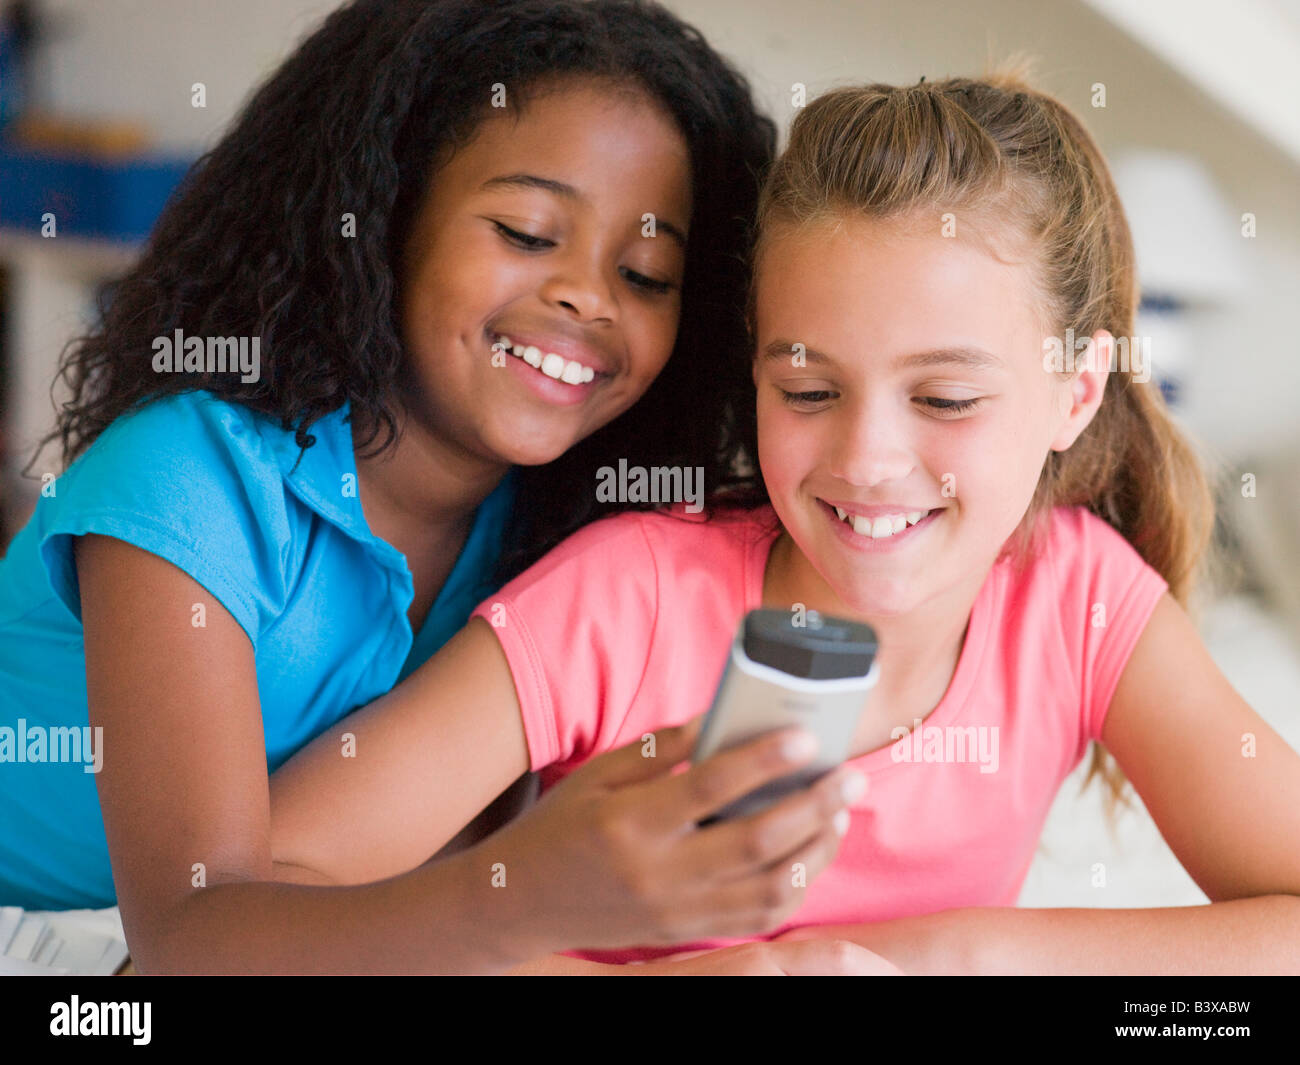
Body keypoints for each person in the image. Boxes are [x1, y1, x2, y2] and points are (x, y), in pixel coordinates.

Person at [269, 65, 1300, 974]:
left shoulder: (1076, 598)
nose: (866, 462)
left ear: (1074, 395)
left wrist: (956, 953)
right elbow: (266, 900)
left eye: (943, 399)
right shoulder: (627, 600)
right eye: (808, 392)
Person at [0, 0, 882, 976]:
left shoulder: (559, 531)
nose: (587, 297)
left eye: (644, 273)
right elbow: (189, 945)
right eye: (526, 230)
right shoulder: (190, 478)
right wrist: (532, 894)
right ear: (384, 213)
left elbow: (410, 912)